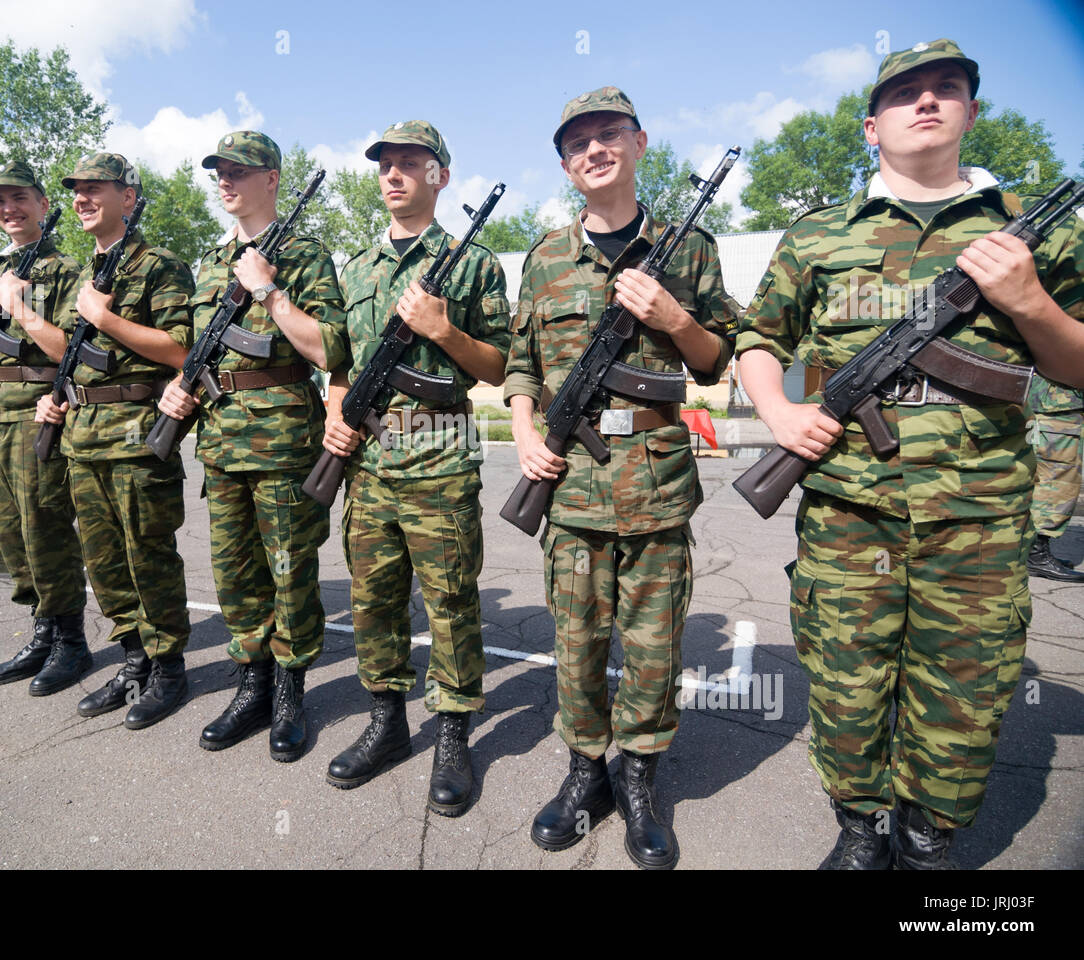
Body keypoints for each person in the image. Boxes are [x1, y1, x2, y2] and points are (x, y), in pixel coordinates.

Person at [737, 40, 1084, 868]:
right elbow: (756, 336)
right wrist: (780, 412)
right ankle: (860, 828)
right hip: (850, 509)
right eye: (905, 94)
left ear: (971, 112)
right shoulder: (819, 235)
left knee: (965, 691)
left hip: (979, 512)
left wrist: (1029, 299)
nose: (926, 102)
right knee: (847, 682)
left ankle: (928, 832)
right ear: (871, 126)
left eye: (947, 90)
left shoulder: (1036, 233)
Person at [504, 87, 738, 869]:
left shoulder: (689, 248)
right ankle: (584, 774)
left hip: (656, 482)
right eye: (579, 143)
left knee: (653, 644)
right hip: (568, 482)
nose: (595, 150)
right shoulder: (543, 257)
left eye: (610, 135)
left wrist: (673, 318)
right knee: (575, 643)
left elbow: (714, 364)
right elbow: (520, 365)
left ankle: (638, 780)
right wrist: (523, 429)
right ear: (566, 164)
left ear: (640, 142)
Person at [320, 121, 510, 816]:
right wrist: (335, 413)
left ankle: (454, 731)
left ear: (440, 178)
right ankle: (388, 721)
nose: (394, 175)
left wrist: (441, 329)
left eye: (410, 165)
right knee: (372, 600)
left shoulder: (474, 264)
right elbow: (339, 361)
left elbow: (497, 367)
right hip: (368, 462)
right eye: (386, 166)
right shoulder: (359, 268)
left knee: (451, 600)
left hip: (438, 457)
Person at [157, 131, 347, 761]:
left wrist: (268, 287)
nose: (225, 180)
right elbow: (195, 350)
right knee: (234, 575)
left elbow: (327, 349)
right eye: (219, 170)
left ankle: (291, 691)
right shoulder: (209, 262)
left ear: (272, 179)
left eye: (239, 170)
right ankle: (252, 682)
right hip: (220, 443)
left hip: (284, 444)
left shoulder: (305, 255)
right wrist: (178, 390)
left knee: (290, 572)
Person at [34, 152, 196, 730]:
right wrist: (57, 393)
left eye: (94, 188)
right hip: (82, 440)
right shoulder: (86, 274)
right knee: (104, 563)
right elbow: (78, 361)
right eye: (75, 189)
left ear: (128, 197)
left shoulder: (160, 267)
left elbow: (183, 350)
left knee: (148, 556)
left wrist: (107, 320)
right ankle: (134, 659)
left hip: (134, 440)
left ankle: (170, 669)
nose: (81, 198)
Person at [0, 160, 89, 697]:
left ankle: (71, 641)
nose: (9, 209)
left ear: (42, 205)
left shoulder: (66, 271)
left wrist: (24, 310)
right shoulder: (0, 271)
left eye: (20, 198)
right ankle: (42, 631)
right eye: (0, 201)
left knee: (45, 529)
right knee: (10, 534)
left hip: (39, 415)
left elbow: (73, 353)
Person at [1026, 374, 1084, 582]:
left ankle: (1029, 550)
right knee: (1056, 478)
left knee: (1049, 474)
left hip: (1054, 399)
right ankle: (1035, 553)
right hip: (1057, 401)